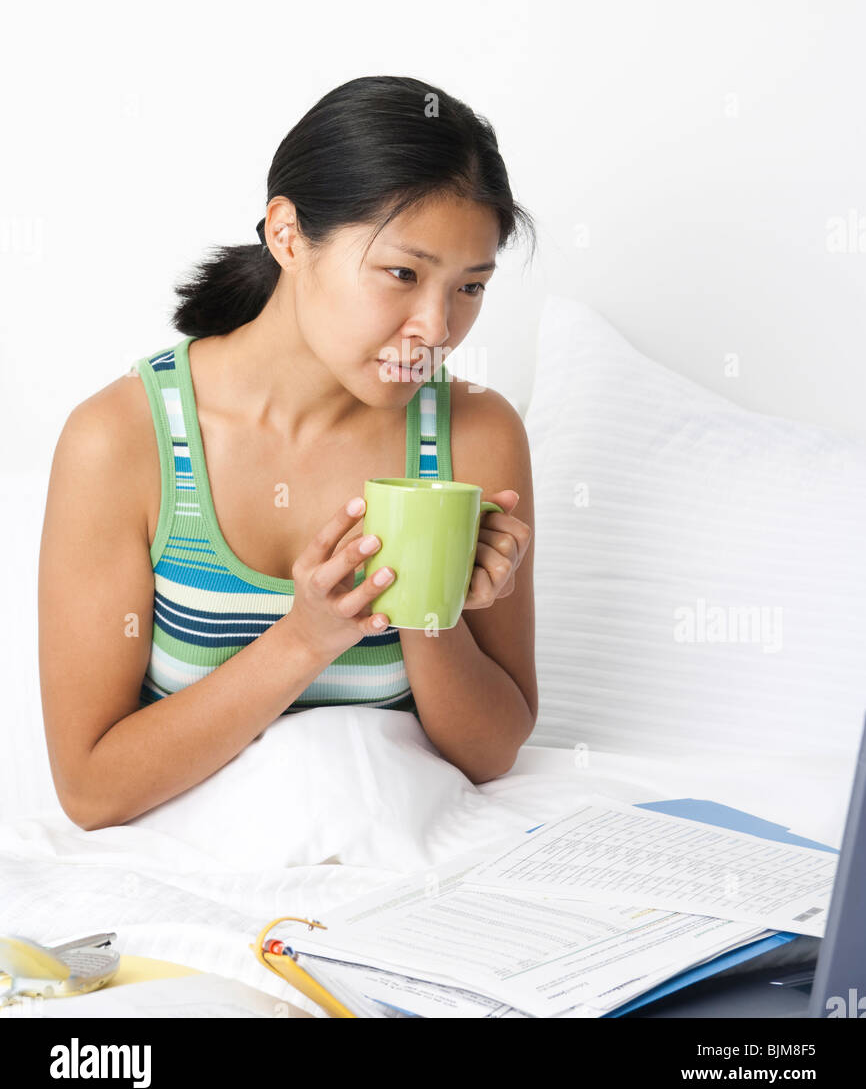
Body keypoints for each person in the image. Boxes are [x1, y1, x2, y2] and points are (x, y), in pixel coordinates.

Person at [38, 74, 538, 830]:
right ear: (287, 235)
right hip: (191, 878)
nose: (436, 329)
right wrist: (306, 638)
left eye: (470, 288)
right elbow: (90, 790)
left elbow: (491, 754)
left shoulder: (474, 435)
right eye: (402, 274)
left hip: (395, 873)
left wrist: (430, 610)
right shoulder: (122, 440)